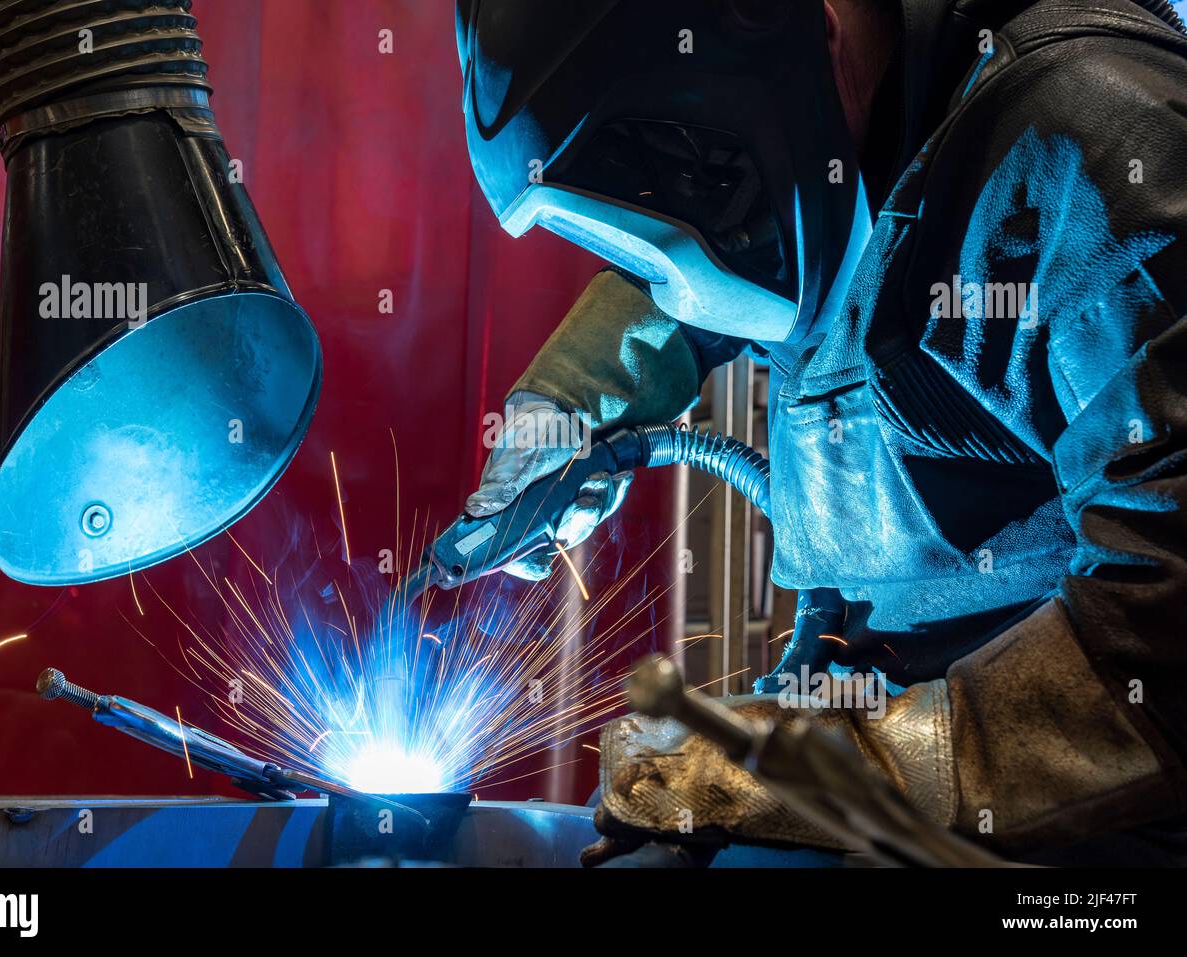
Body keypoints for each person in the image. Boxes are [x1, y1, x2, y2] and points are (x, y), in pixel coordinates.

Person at [454, 0, 1187, 864]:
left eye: (705, 172)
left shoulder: (1094, 144)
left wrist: (853, 767)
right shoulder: (846, 130)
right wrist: (580, 392)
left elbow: (1159, 662)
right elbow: (728, 249)